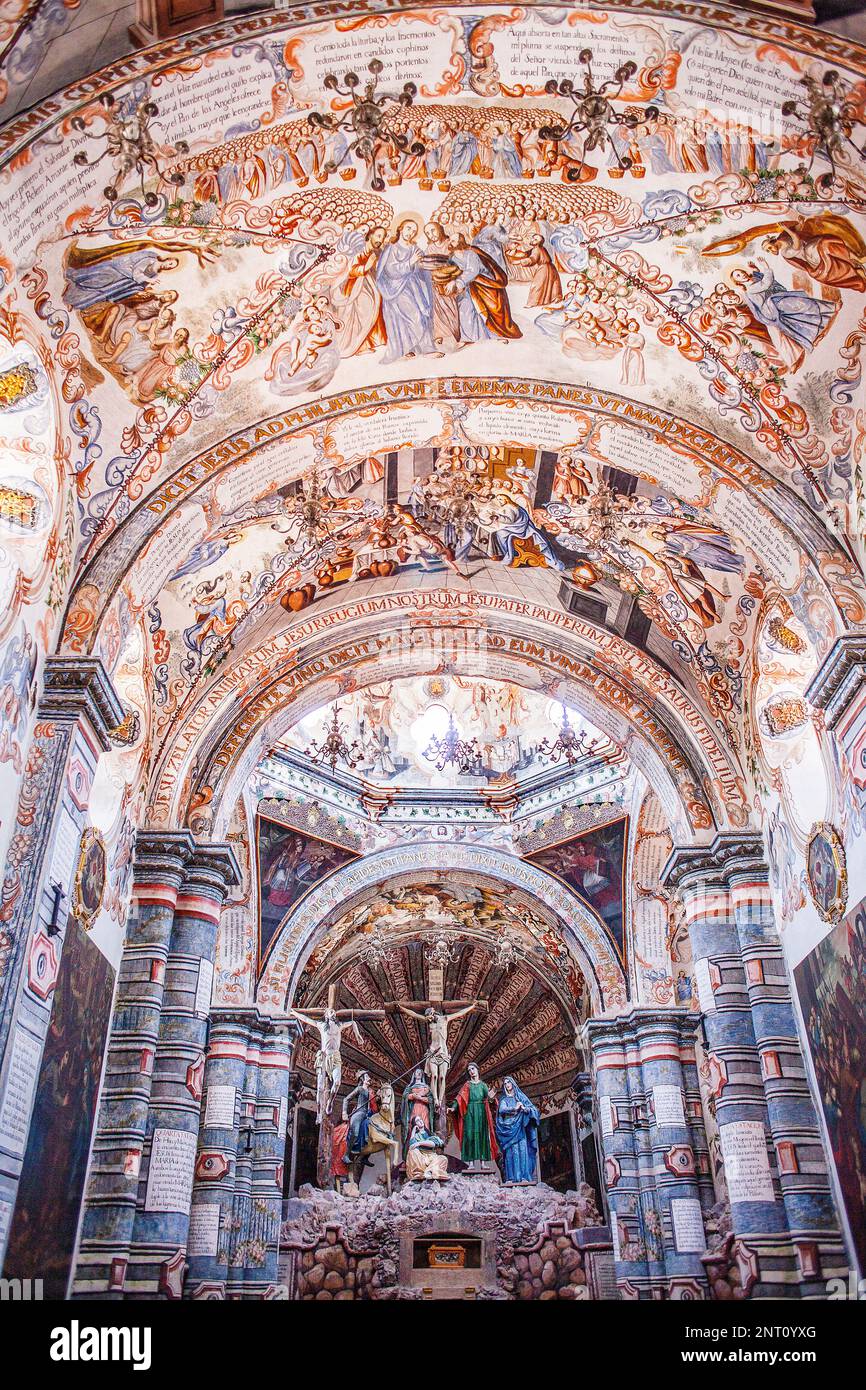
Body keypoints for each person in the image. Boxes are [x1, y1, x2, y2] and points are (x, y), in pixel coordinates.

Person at [375, 219, 435, 362]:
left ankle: (421, 348)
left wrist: (422, 264)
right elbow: (390, 270)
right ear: (401, 228)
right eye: (408, 228)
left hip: (413, 287)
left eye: (414, 231)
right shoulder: (391, 248)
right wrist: (410, 262)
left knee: (423, 313)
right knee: (414, 316)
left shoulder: (415, 249)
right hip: (396, 288)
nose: (411, 233)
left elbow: (420, 268)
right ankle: (412, 348)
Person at [449, 1063, 499, 1164]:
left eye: (473, 1069)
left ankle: (483, 1163)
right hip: (470, 1112)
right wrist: (453, 1108)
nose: (471, 1071)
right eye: (469, 1070)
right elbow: (459, 1098)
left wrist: (491, 1098)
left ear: (477, 1069)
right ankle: (471, 1163)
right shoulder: (467, 1085)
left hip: (481, 1113)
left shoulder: (483, 1085)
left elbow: (489, 1099)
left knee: (482, 1135)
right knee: (469, 1136)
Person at [495, 1076, 540, 1183]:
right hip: (508, 1129)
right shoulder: (504, 1100)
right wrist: (515, 1108)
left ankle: (524, 1176)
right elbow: (501, 1110)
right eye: (505, 1083)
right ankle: (511, 1177)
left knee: (522, 1150)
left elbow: (533, 1109)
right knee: (511, 1152)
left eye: (508, 1082)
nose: (507, 1085)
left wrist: (525, 1109)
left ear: (513, 1083)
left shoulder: (520, 1097)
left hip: (520, 1127)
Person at [401, 1067, 436, 1157]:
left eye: (420, 1072)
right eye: (417, 1072)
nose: (419, 1073)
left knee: (425, 1128)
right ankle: (411, 1155)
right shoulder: (410, 1087)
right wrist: (413, 1096)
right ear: (414, 1074)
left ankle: (426, 1154)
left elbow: (431, 1100)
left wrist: (420, 1098)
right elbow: (405, 1097)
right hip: (414, 1110)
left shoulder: (426, 1087)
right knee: (412, 1128)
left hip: (424, 1110)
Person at [405, 1115, 449, 1181]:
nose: (420, 1121)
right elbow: (411, 1146)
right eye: (417, 1121)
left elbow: (433, 1144)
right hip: (421, 1158)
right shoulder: (416, 1135)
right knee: (412, 1151)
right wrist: (413, 1131)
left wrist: (419, 1143)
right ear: (415, 1124)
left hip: (432, 1157)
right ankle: (429, 1172)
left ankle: (429, 1172)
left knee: (443, 1159)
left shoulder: (430, 1134)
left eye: (420, 1119)